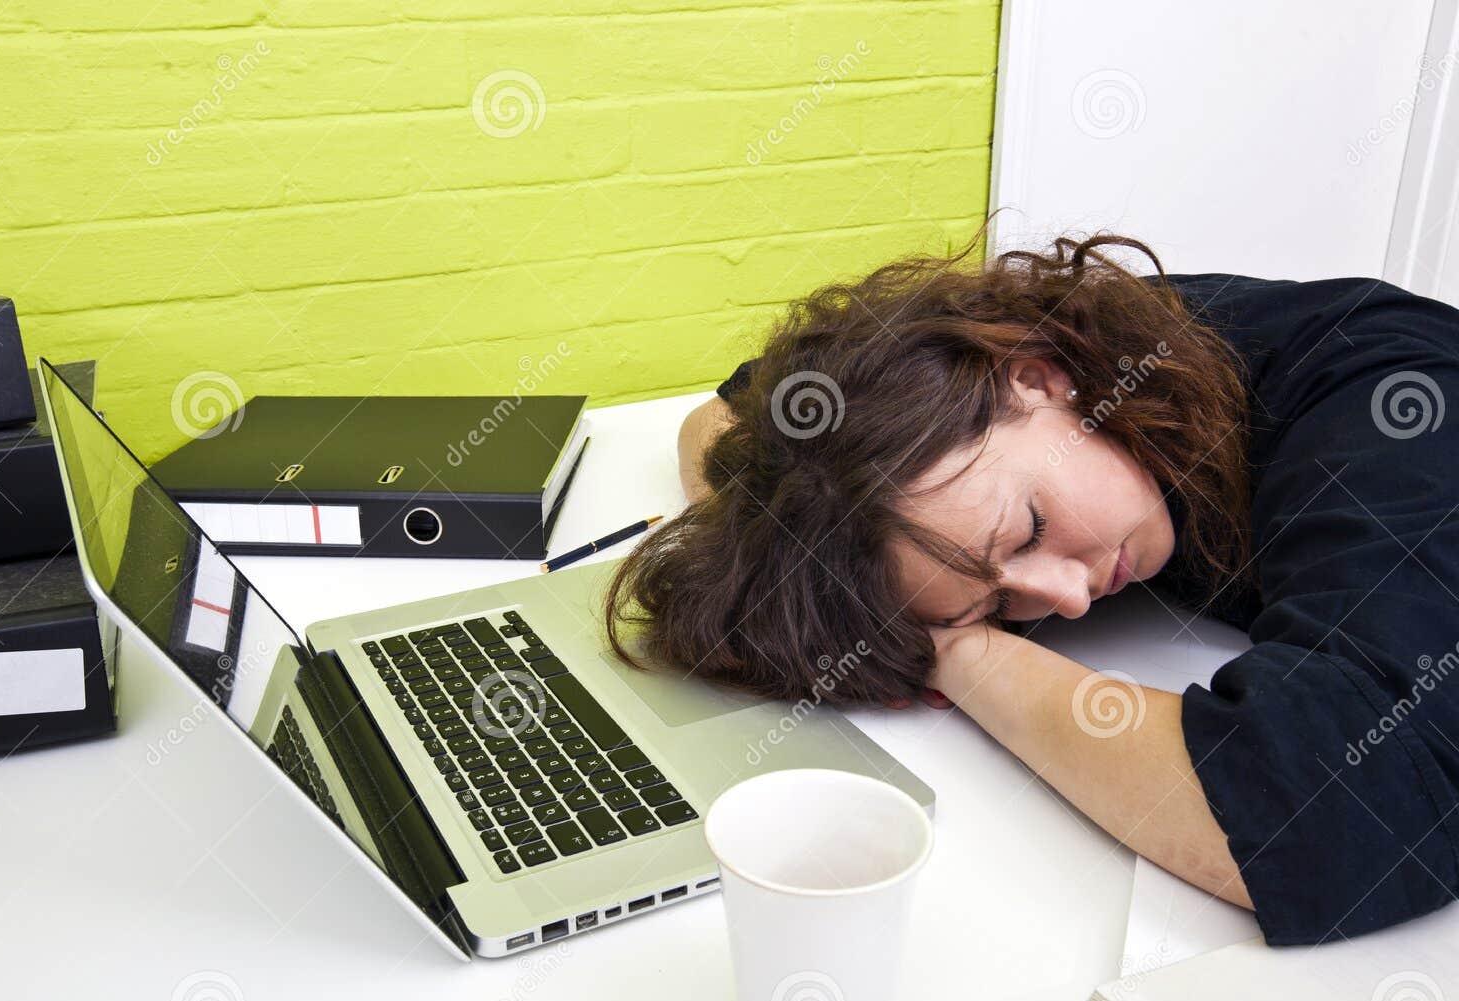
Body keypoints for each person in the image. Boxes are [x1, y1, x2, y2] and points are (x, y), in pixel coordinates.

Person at [606, 233, 1459, 945]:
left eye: (1030, 531)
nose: (1068, 601)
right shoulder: (1012, 378)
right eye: (995, 601)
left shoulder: (1391, 407)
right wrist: (784, 549)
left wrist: (959, 649)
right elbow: (725, 419)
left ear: (1041, 379)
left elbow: (1331, 811)